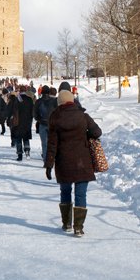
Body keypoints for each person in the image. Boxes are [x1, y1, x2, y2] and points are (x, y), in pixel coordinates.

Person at [45, 88, 102, 237]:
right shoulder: (83, 116)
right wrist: (85, 134)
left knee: (65, 191)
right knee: (81, 195)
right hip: (83, 161)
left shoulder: (55, 118)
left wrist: (49, 164)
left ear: (59, 103)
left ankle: (66, 223)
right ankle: (79, 227)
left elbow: (52, 144)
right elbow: (97, 132)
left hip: (64, 162)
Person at [9, 85, 35, 160]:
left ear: (20, 91)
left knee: (18, 138)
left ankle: (20, 154)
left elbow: (13, 110)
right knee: (26, 137)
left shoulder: (17, 99)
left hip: (18, 121)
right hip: (27, 121)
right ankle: (27, 151)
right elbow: (32, 111)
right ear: (26, 91)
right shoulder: (29, 99)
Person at [34, 85, 57, 160]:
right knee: (52, 143)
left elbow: (34, 114)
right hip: (52, 124)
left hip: (42, 124)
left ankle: (45, 159)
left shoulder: (38, 101)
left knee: (44, 143)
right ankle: (52, 158)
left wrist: (39, 120)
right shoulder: (54, 101)